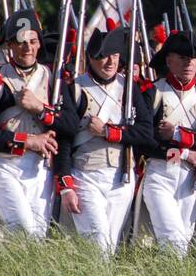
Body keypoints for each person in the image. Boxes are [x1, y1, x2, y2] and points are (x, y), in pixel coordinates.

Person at [53, 27, 153, 257]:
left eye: (115, 56)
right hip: (85, 174)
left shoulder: (129, 89)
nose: (110, 62)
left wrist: (109, 132)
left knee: (109, 243)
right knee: (98, 242)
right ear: (90, 57)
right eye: (103, 56)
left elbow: (146, 134)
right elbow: (64, 139)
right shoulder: (75, 89)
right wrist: (66, 185)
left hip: (121, 176)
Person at [138, 31, 196, 258]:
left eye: (193, 57)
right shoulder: (152, 92)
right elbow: (145, 140)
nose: (188, 62)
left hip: (191, 180)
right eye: (182, 57)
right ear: (168, 60)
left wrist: (178, 135)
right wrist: (184, 153)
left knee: (183, 241)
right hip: (160, 174)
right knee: (173, 239)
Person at [0, 9, 59, 238]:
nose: (28, 48)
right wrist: (29, 141)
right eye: (21, 42)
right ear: (10, 46)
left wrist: (41, 109)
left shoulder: (54, 78)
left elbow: (69, 124)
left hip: (41, 167)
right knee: (23, 229)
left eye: (33, 41)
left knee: (38, 236)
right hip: (6, 164)